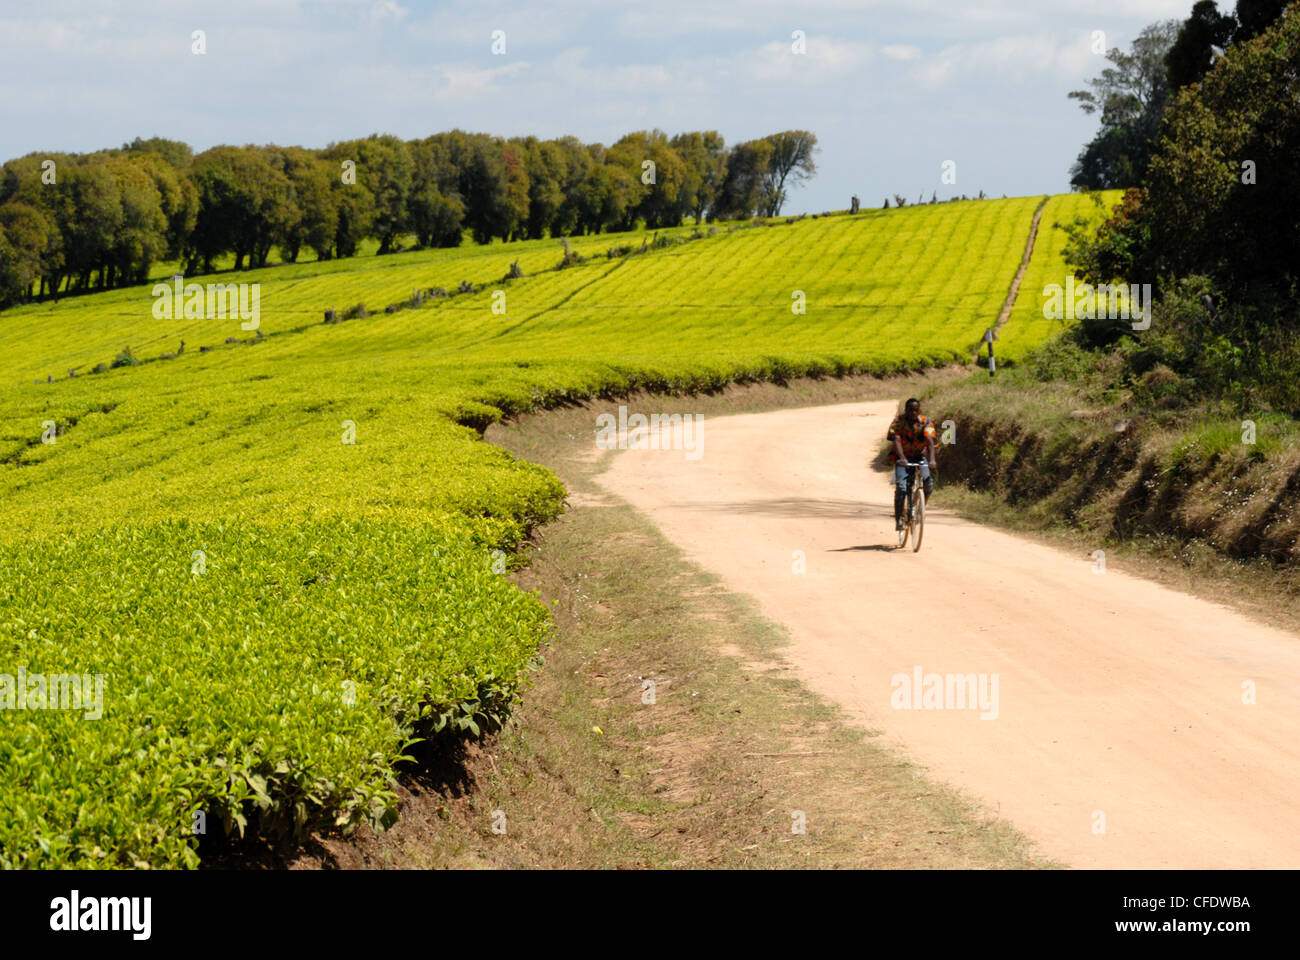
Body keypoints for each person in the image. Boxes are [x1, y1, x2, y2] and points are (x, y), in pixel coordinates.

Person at [887, 398, 936, 531]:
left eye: (916, 410)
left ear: (919, 410)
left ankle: (921, 508)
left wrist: (932, 460)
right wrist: (902, 459)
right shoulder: (898, 422)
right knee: (902, 488)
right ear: (906, 410)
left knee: (928, 482)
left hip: (920, 456)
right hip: (902, 457)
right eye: (910, 410)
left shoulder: (926, 422)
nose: (913, 413)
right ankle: (899, 519)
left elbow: (930, 441)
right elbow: (896, 440)